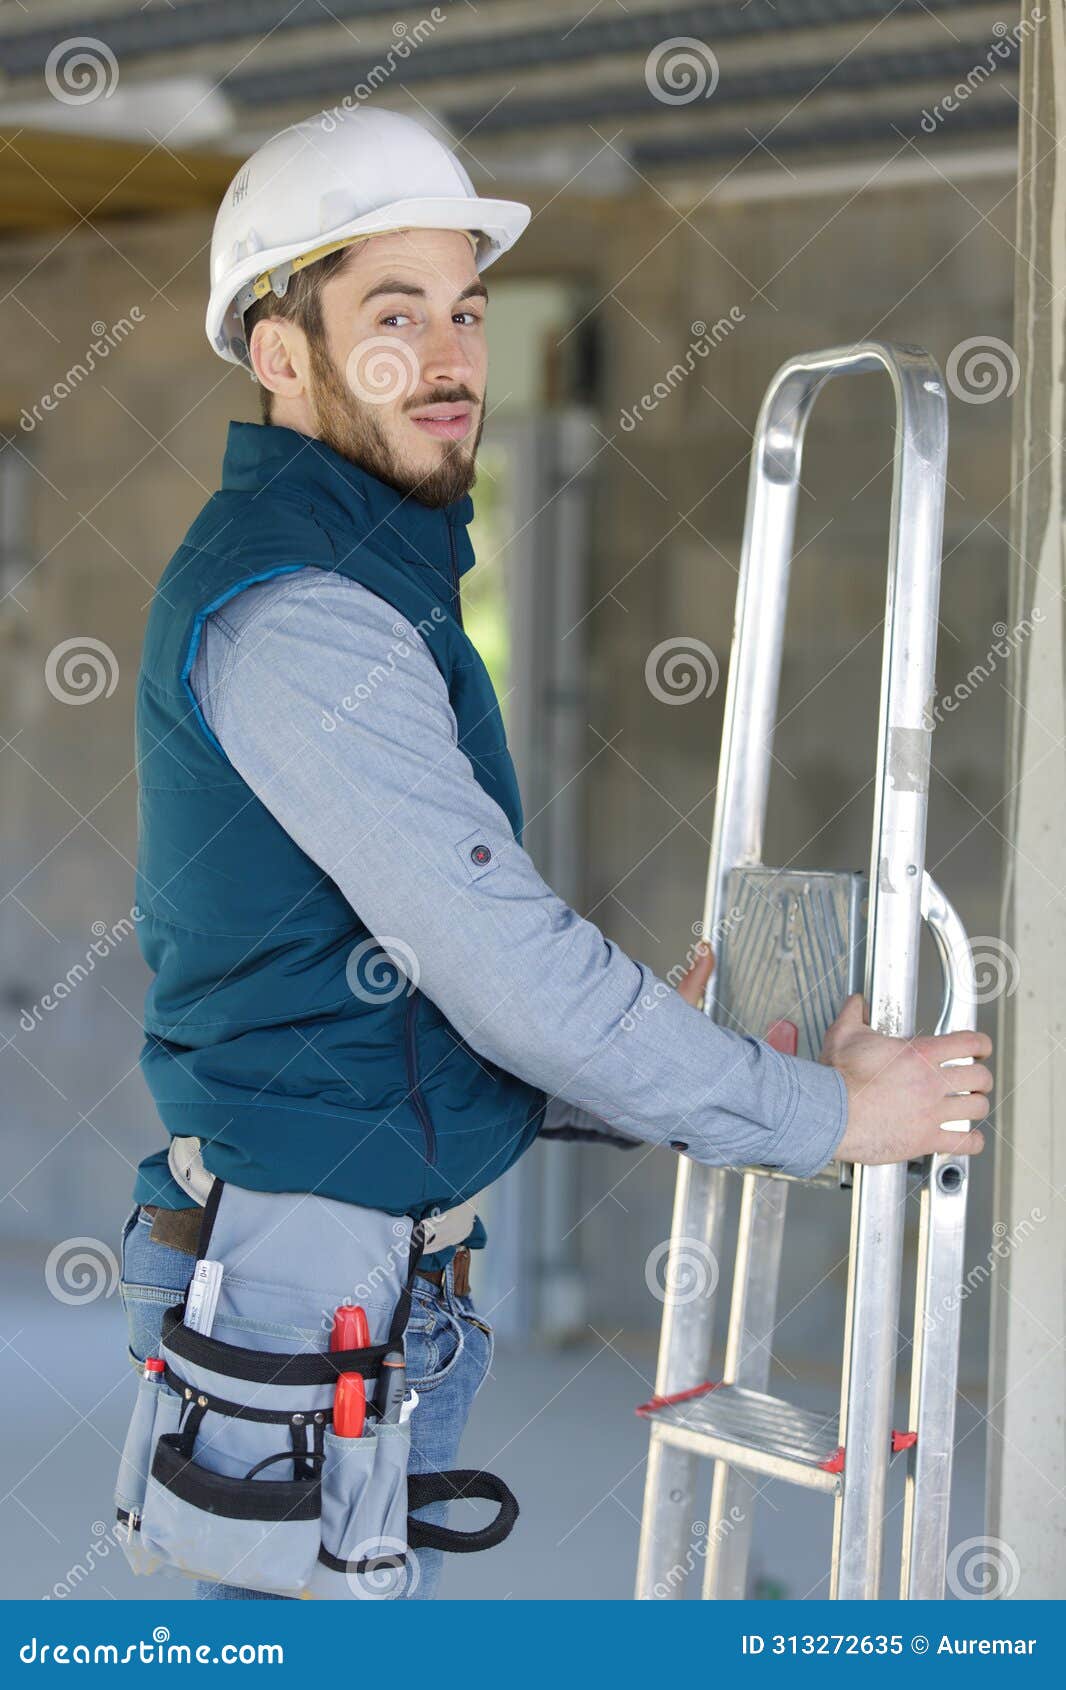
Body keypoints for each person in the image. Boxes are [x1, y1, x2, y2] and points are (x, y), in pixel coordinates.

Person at [120, 107, 992, 1601]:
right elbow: (507, 977)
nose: (454, 355)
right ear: (279, 353)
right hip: (310, 1294)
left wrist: (662, 1049)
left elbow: (420, 994)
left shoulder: (367, 575)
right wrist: (814, 1115)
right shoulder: (305, 615)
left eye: (464, 309)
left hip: (361, 1284)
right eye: (392, 318)